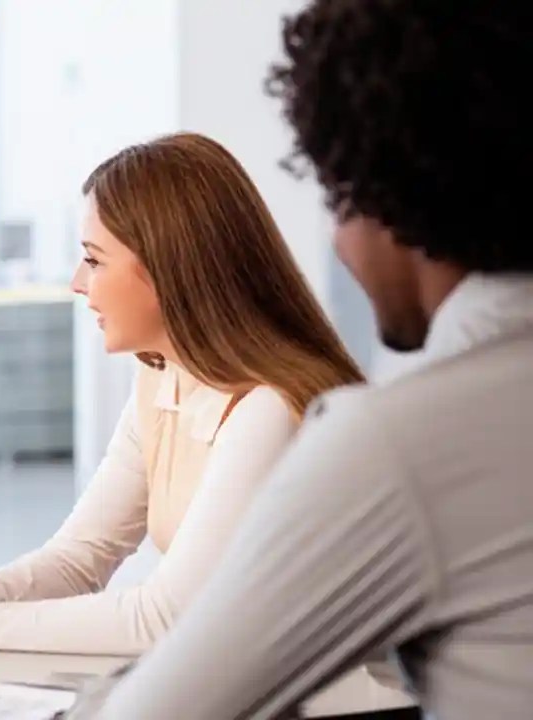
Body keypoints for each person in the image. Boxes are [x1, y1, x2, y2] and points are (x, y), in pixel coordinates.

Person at [99, 2, 533, 718]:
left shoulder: (398, 444)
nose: (337, 242)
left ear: (391, 197)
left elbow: (164, 709)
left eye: (337, 199)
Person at [0, 132, 364, 655]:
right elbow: (80, 559)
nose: (77, 282)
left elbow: (164, 619)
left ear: (167, 267)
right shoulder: (165, 380)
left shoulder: (269, 409)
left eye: (94, 260)